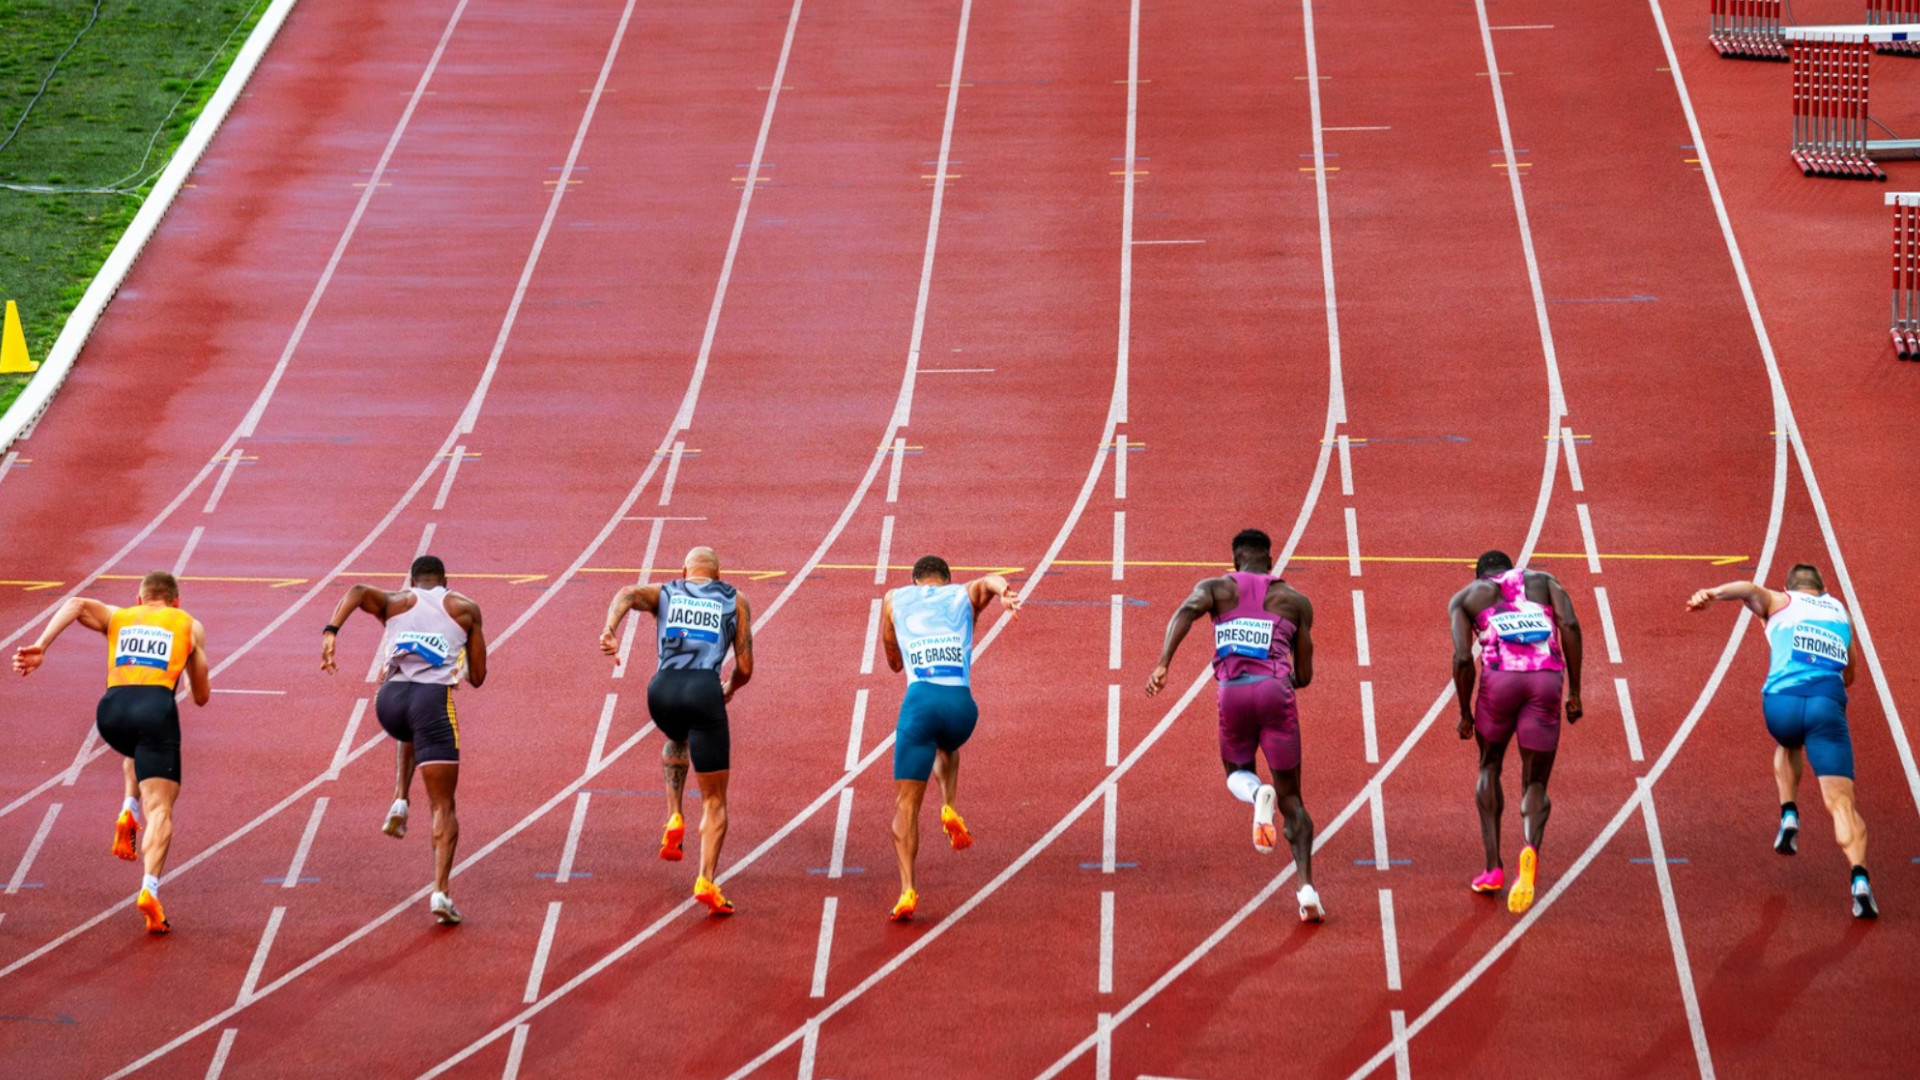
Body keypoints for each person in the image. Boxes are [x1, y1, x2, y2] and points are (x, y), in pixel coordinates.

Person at [13, 571, 210, 933]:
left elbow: (74, 604)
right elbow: (200, 697)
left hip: (110, 714)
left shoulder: (119, 616)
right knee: (161, 807)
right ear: (176, 602)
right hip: (155, 710)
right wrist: (191, 664)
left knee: (135, 748)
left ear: (139, 600)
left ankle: (127, 809)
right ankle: (149, 889)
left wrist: (41, 645)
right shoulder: (188, 624)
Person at [1147, 529, 1324, 922]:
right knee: (1293, 800)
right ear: (1271, 561)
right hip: (1276, 694)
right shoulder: (1296, 601)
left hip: (1232, 694)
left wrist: (1163, 663)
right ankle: (1307, 887)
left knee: (1236, 773)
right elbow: (1306, 675)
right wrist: (1280, 680)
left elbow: (1185, 612)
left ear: (1234, 561)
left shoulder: (1216, 588)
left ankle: (1257, 793)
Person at [1687, 564, 1876, 918]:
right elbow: (1849, 675)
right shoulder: (1840, 613)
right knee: (1841, 802)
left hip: (1781, 705)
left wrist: (1712, 593)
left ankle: (1789, 813)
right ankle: (1860, 880)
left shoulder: (1780, 600)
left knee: (1789, 743)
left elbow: (1747, 588)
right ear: (1822, 590)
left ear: (1790, 587)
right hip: (1826, 708)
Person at [321, 555, 485, 925]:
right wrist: (462, 649)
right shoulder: (465, 608)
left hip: (389, 701)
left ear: (412, 581)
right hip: (432, 701)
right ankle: (441, 892)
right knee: (443, 806)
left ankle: (399, 799)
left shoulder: (395, 602)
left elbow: (358, 590)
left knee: (411, 728)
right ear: (447, 580)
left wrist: (331, 632)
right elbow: (478, 676)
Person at [600, 546, 754, 917]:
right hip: (703, 689)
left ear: (684, 570)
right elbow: (745, 667)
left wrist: (610, 630)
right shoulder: (735, 600)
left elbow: (626, 593)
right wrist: (728, 688)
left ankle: (674, 814)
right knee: (715, 801)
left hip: (661, 690)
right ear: (719, 575)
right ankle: (705, 879)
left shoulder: (667, 592)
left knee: (676, 738)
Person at [879, 555, 1020, 922]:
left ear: (915, 581)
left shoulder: (895, 599)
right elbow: (989, 578)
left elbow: (893, 662)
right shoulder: (961, 595)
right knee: (947, 742)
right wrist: (1003, 591)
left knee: (905, 807)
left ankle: (908, 889)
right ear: (946, 579)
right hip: (962, 709)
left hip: (920, 702)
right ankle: (949, 805)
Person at [1449, 550, 1583, 915]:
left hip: (1499, 682)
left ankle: (1493, 867)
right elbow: (1569, 625)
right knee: (1535, 783)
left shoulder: (1466, 598)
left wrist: (1464, 712)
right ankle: (1530, 848)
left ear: (1481, 575)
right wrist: (1575, 692)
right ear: (1512, 569)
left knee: (1489, 766)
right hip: (1545, 680)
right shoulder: (1545, 581)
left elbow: (1463, 658)